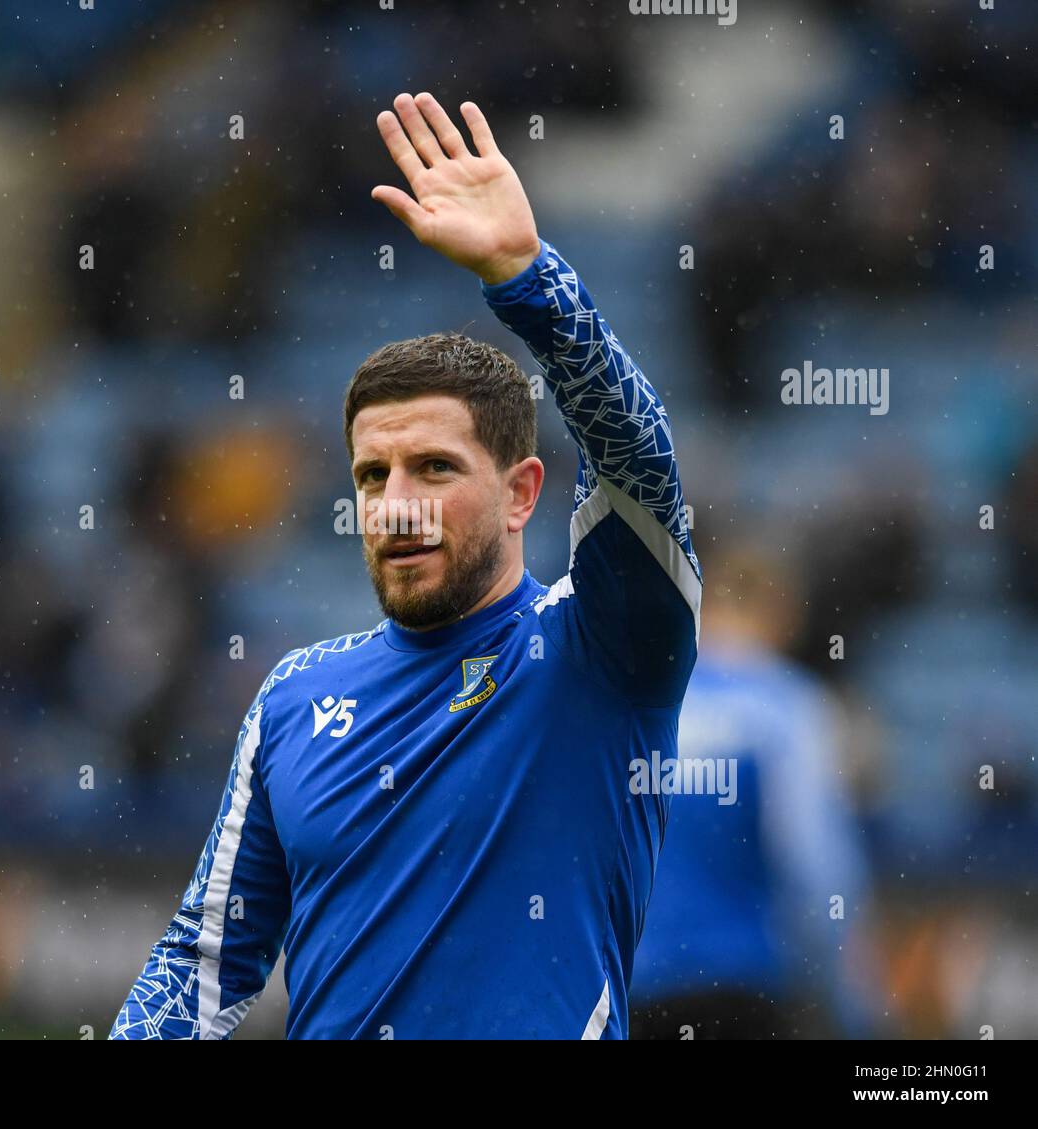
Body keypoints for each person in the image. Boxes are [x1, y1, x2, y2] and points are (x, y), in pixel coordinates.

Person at [110, 93, 702, 1040]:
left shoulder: (602, 651)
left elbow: (639, 468)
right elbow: (204, 961)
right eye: (372, 474)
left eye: (435, 467)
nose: (398, 502)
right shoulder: (294, 701)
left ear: (521, 492)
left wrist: (529, 281)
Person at [629, 541, 877, 1039]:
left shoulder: (640, 701)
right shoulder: (785, 706)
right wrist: (845, 996)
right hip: (739, 981)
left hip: (638, 984)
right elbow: (817, 866)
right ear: (781, 612)